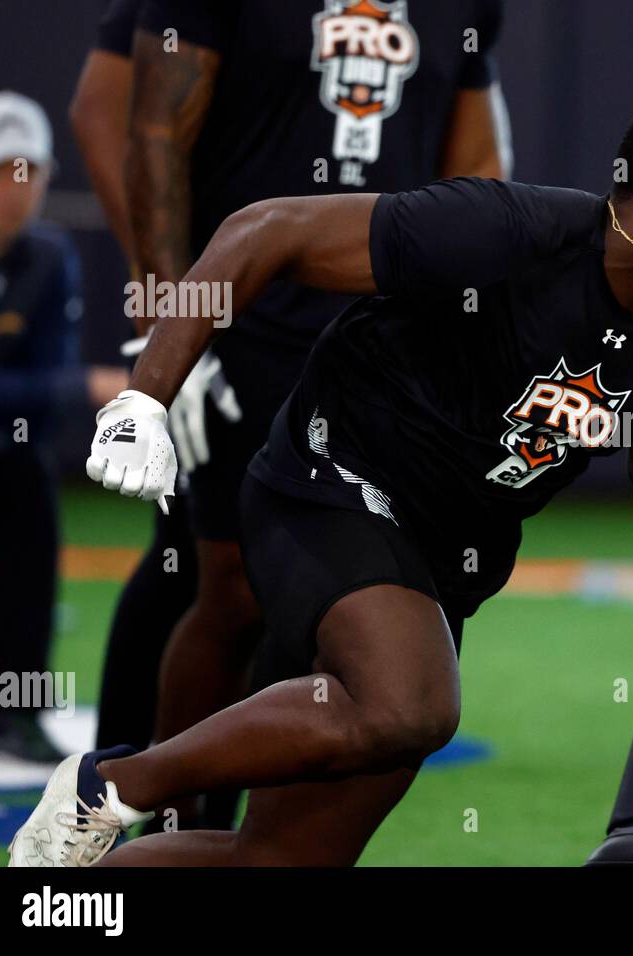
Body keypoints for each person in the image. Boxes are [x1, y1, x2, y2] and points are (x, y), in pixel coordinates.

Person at [10, 91, 633, 867]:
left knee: (284, 859)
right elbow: (266, 229)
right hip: (332, 479)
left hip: (443, 557)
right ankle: (112, 783)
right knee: (412, 705)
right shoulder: (509, 233)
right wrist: (145, 399)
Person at [98, 0, 512, 832]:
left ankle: (257, 839)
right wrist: (167, 326)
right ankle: (173, 814)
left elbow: (478, 168)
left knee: (342, 602)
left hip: (389, 338)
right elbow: (151, 135)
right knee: (232, 587)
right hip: (246, 313)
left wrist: (475, 329)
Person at [0, 91, 127, 763]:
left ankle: (14, 711)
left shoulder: (46, 258)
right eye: (1, 168)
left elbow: (41, 393)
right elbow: (60, 385)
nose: (19, 188)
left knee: (28, 488)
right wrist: (85, 387)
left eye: (31, 171)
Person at [69, 0, 201, 757]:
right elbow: (99, 108)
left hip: (339, 309)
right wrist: (169, 295)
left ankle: (210, 815)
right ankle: (115, 788)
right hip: (221, 310)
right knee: (199, 555)